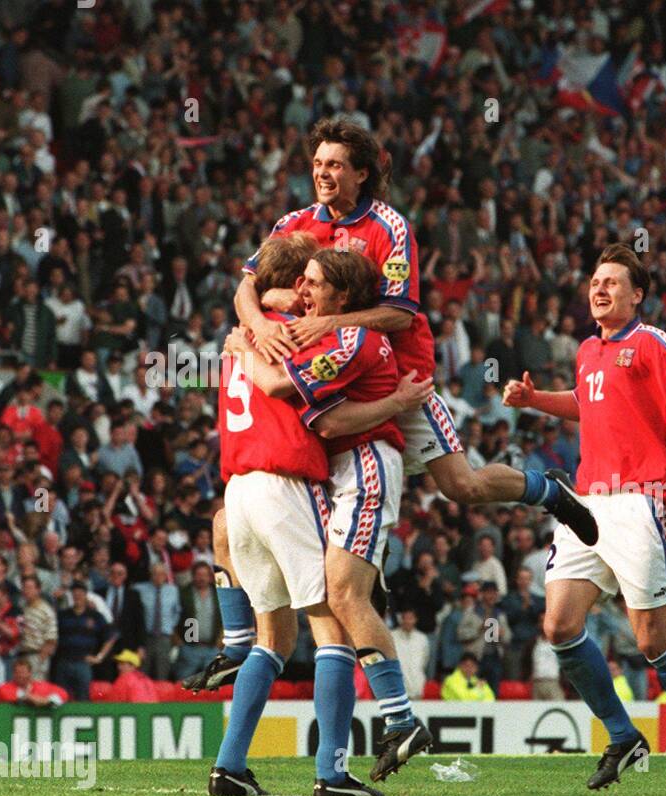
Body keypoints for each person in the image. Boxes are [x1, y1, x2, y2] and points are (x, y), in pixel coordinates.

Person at [233, 119, 596, 539]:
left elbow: (399, 315)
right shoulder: (293, 224)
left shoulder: (390, 227)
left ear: (361, 172)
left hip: (394, 376)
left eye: (334, 165)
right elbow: (247, 285)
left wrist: (327, 321)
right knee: (333, 484)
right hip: (326, 375)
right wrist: (260, 317)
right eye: (317, 163)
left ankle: (549, 490)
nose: (321, 173)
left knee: (462, 485)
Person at [504, 243, 666, 794]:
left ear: (637, 295)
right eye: (594, 280)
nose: (599, 289)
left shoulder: (651, 341)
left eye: (612, 282)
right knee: (559, 625)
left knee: (652, 640)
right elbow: (588, 402)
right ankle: (622, 733)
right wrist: (536, 400)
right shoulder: (588, 350)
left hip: (641, 502)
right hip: (587, 502)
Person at [208, 235, 431, 796]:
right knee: (333, 623)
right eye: (298, 282)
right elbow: (304, 403)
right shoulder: (283, 334)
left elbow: (259, 328)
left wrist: (245, 334)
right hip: (286, 483)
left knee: (274, 637)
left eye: (311, 284)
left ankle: (230, 765)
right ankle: (334, 770)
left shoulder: (259, 335)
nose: (302, 293)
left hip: (239, 490)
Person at [0, 656, 68, 707]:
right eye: (18, 672)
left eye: (23, 672)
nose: (20, 675)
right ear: (13, 674)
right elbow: (8, 697)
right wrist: (29, 698)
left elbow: (64, 694)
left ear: (30, 673)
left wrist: (46, 700)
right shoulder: (4, 688)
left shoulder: (40, 686)